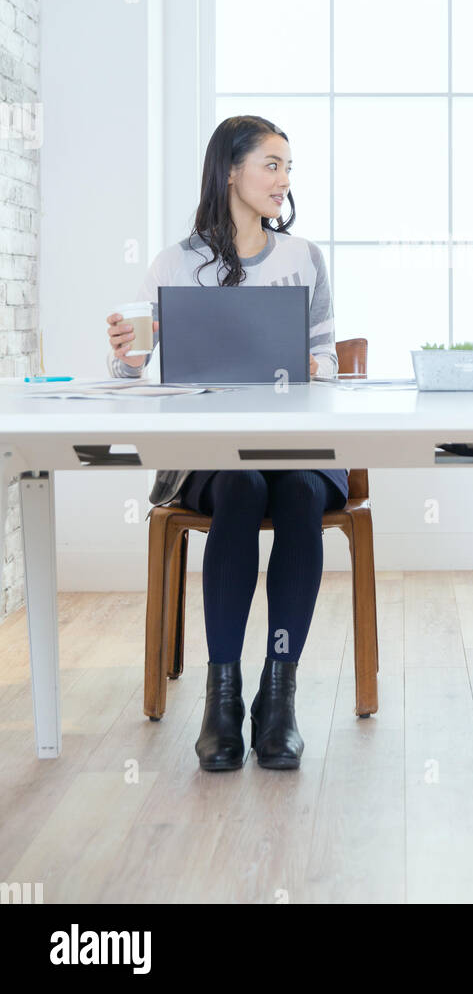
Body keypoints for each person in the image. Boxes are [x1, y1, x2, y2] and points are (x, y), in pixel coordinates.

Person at [105, 115, 348, 773]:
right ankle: (222, 699)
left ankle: (278, 696)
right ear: (230, 170)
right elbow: (141, 366)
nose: (284, 180)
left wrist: (305, 361)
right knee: (239, 487)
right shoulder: (178, 263)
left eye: (288, 167)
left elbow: (328, 356)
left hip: (299, 449)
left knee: (297, 491)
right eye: (272, 164)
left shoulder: (303, 258)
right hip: (214, 457)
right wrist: (127, 358)